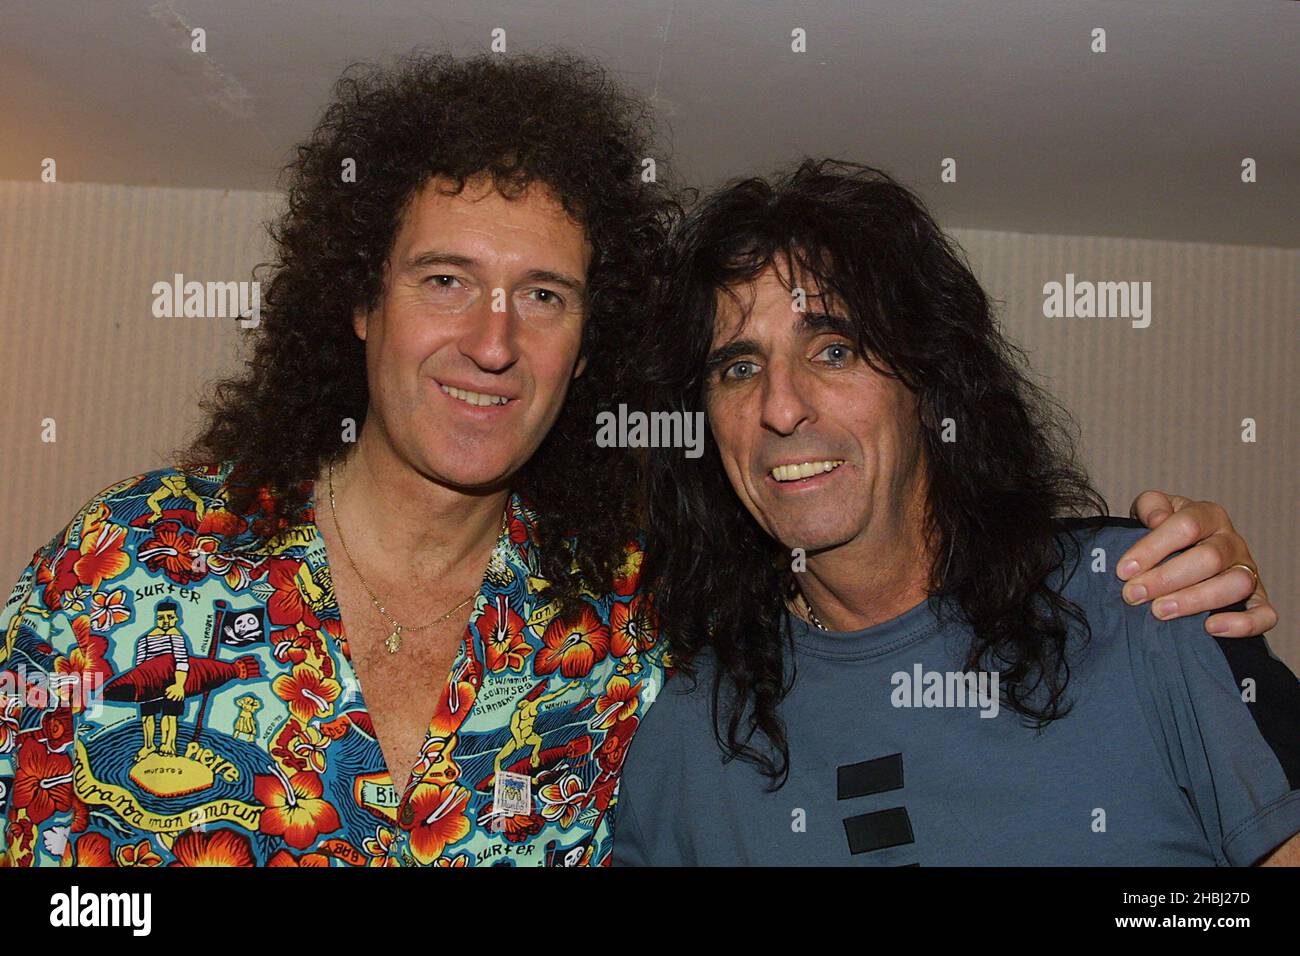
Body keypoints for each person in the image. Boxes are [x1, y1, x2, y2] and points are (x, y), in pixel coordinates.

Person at [0, 54, 1274, 867]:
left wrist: (1174, 584)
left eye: (544, 295)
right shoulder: (124, 569)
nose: (491, 340)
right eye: (447, 279)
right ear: (359, 303)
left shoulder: (624, 643)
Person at [615, 160, 1297, 866]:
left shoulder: (1146, 600)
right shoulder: (683, 739)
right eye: (739, 368)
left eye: (835, 350)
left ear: (929, 384)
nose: (781, 407)